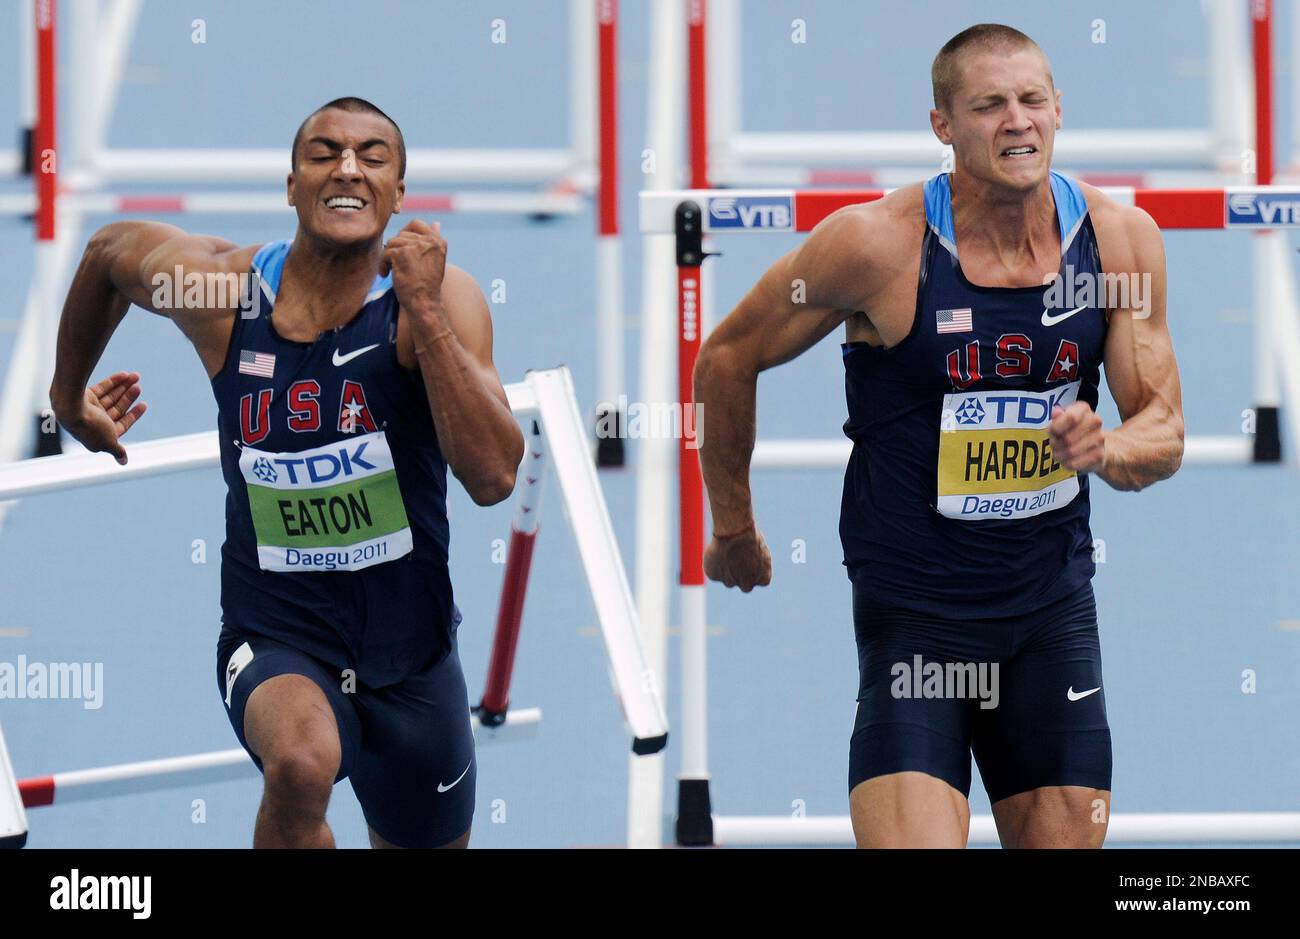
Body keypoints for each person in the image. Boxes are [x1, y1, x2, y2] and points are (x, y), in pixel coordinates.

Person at [694, 25, 1184, 848]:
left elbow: (1163, 430)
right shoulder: (875, 246)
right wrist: (733, 526)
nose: (1016, 121)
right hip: (915, 629)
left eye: (1031, 100)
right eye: (988, 105)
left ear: (1060, 109)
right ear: (942, 126)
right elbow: (727, 354)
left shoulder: (1120, 243)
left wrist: (1109, 449)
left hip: (1049, 618)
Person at [48, 97, 524, 848]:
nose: (347, 168)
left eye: (373, 156)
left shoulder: (430, 306)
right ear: (292, 185)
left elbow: (494, 475)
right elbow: (109, 254)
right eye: (323, 152)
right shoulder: (222, 296)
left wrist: (426, 313)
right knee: (301, 764)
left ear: (399, 193)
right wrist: (68, 398)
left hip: (413, 659)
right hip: (277, 635)